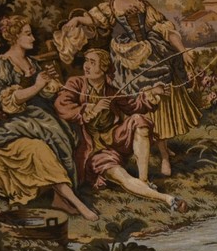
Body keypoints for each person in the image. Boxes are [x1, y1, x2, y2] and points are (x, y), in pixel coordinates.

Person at [0, 14, 97, 221]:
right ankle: (73, 200)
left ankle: (60, 197)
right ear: (14, 37)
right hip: (6, 121)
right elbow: (1, 99)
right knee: (42, 145)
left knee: (65, 133)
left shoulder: (31, 63)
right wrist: (37, 86)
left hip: (31, 117)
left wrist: (50, 85)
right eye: (28, 34)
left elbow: (43, 94)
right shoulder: (1, 64)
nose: (33, 39)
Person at [61, 0, 199, 178]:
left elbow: (165, 29)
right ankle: (134, 150)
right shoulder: (110, 6)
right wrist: (78, 18)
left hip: (150, 57)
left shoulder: (142, 5)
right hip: (124, 63)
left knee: (158, 104)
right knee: (132, 106)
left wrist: (183, 51)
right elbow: (93, 19)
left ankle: (164, 154)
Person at [53, 50, 188, 211]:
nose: (86, 66)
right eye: (86, 61)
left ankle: (143, 180)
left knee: (139, 120)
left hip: (116, 140)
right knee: (123, 177)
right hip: (95, 151)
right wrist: (92, 109)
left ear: (103, 69)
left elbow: (133, 106)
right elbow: (62, 106)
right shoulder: (76, 84)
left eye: (92, 62)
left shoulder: (111, 90)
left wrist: (152, 92)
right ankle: (168, 199)